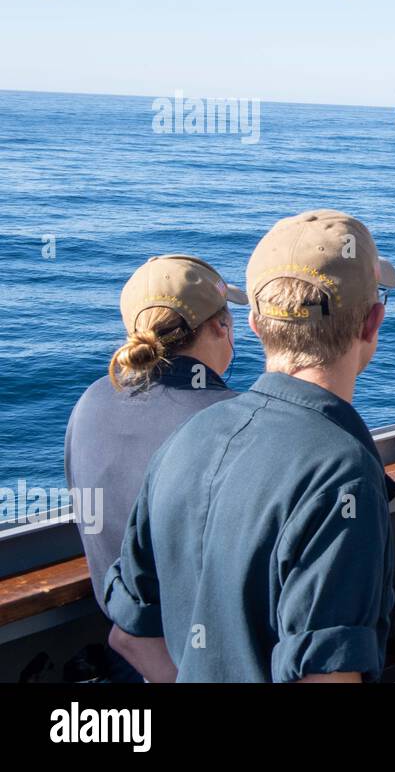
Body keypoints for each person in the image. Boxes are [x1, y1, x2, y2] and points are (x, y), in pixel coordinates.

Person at [103, 210, 395, 683]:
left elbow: (130, 635)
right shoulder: (343, 477)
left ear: (258, 325)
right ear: (373, 322)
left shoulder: (187, 439)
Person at [65, 254, 245, 677]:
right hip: (203, 664)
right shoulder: (236, 422)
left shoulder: (90, 402)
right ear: (221, 327)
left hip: (125, 656)